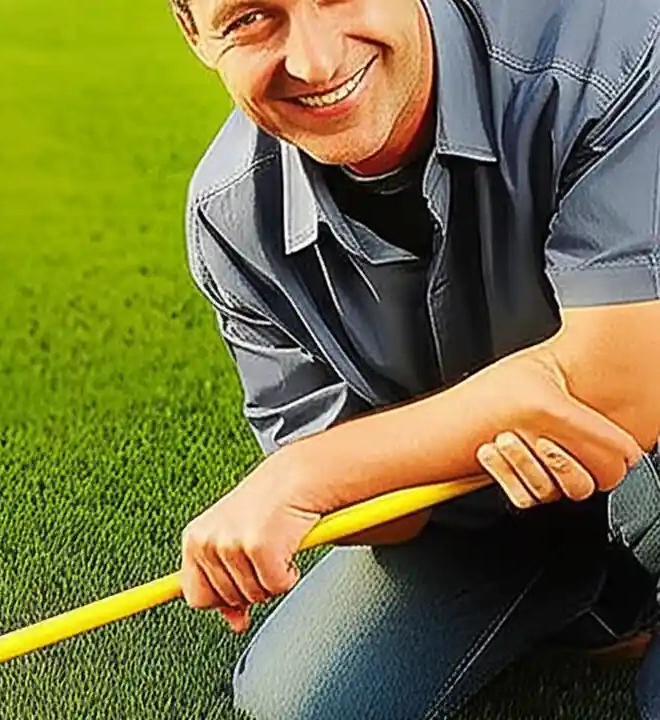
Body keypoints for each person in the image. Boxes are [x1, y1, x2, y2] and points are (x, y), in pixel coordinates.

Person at [169, 0, 660, 717]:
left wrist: (307, 473)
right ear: (196, 37)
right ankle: (597, 595)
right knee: (304, 705)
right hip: (485, 514)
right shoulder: (231, 217)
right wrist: (320, 492)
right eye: (250, 18)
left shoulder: (609, 44)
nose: (315, 62)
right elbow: (385, 516)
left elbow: (621, 396)